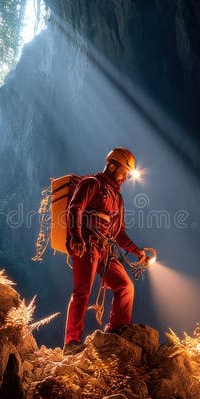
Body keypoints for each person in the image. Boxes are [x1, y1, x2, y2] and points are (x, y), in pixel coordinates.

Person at [63, 147, 148, 355]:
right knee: (82, 291)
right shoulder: (91, 183)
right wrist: (76, 237)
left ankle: (115, 331)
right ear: (111, 165)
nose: (126, 177)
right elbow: (74, 208)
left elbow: (119, 233)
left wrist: (138, 251)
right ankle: (71, 342)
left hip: (104, 249)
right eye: (124, 172)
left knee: (125, 286)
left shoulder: (118, 199)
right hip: (86, 244)